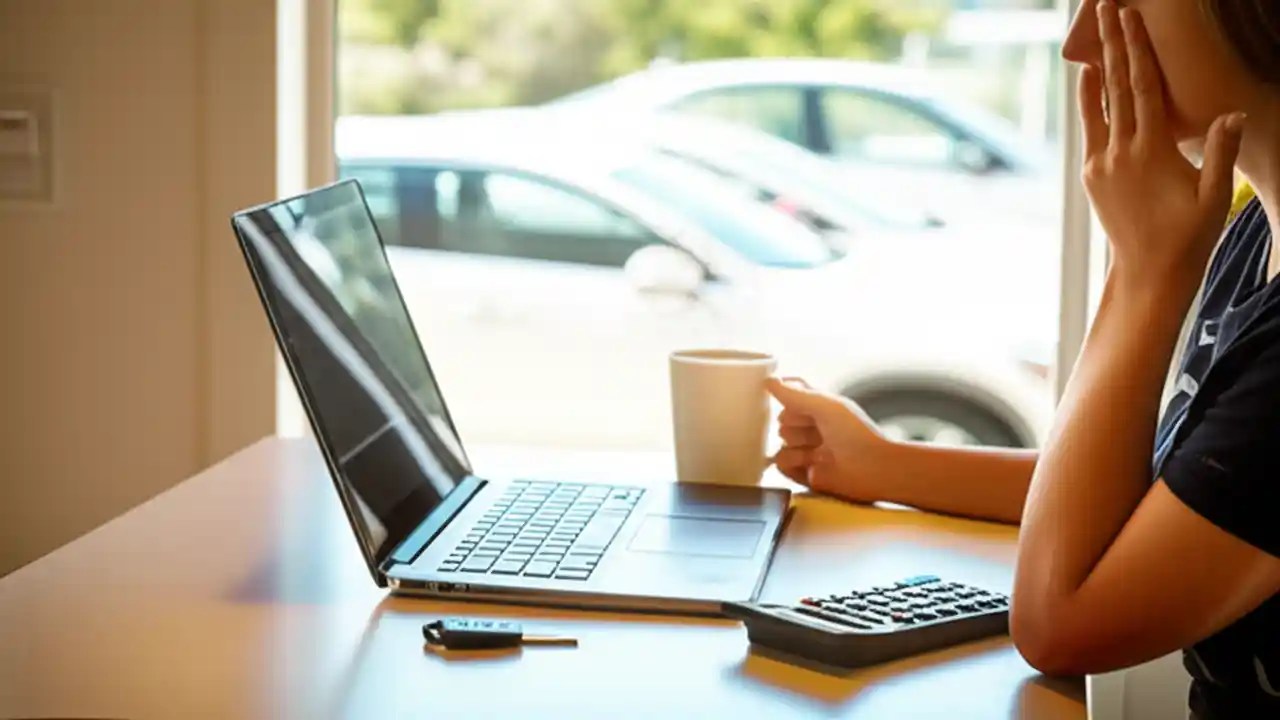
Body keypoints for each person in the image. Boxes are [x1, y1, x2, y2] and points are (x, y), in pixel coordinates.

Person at [766, 1, 1280, 716]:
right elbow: (1172, 499)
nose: (1078, 44)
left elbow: (1060, 625)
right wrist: (883, 463)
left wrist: (1143, 275)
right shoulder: (1255, 230)